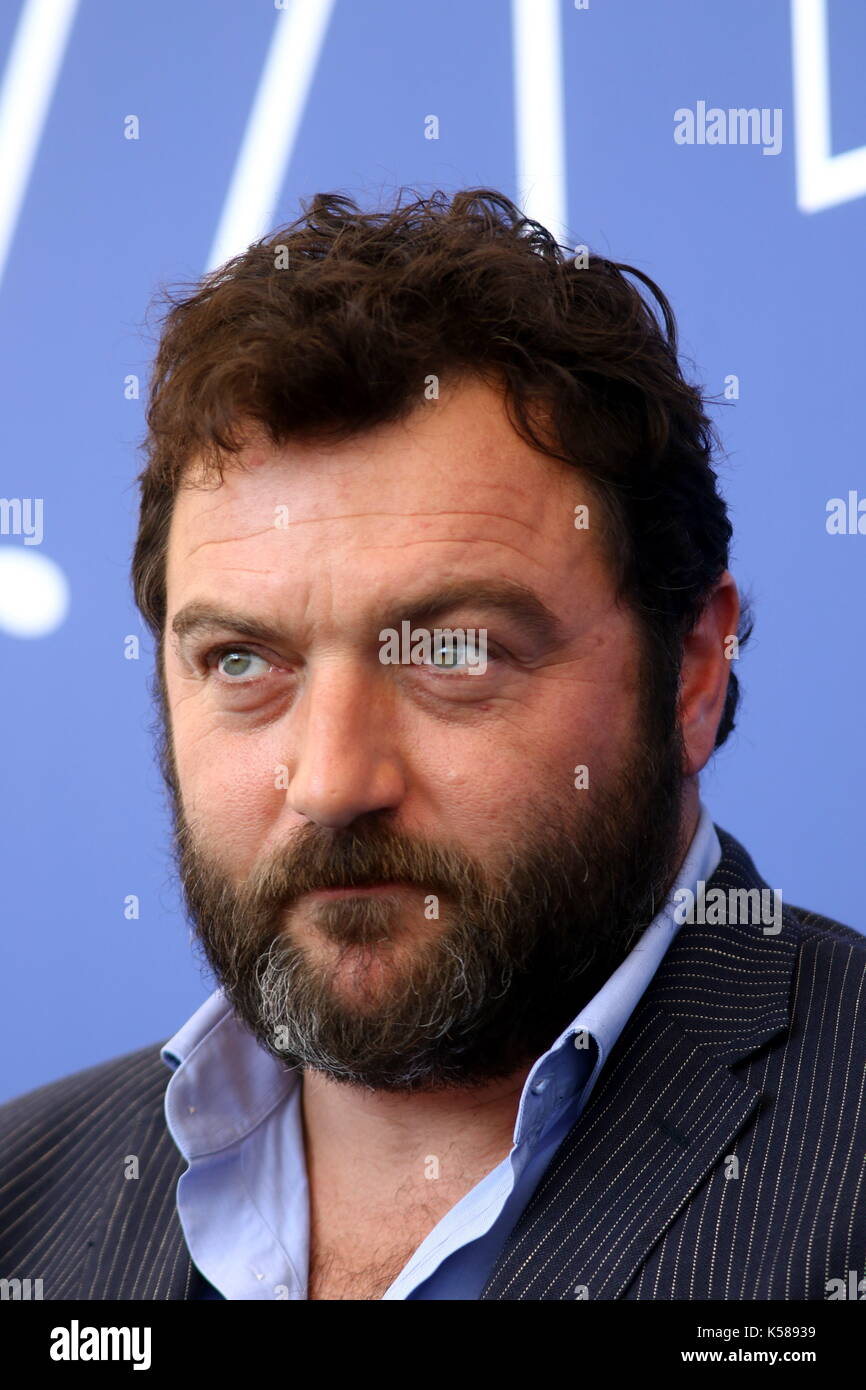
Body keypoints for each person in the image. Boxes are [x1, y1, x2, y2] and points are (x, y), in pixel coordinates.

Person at [1, 189, 863, 1301]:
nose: (330, 782)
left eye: (452, 653)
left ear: (692, 670)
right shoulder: (23, 1210)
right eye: (243, 661)